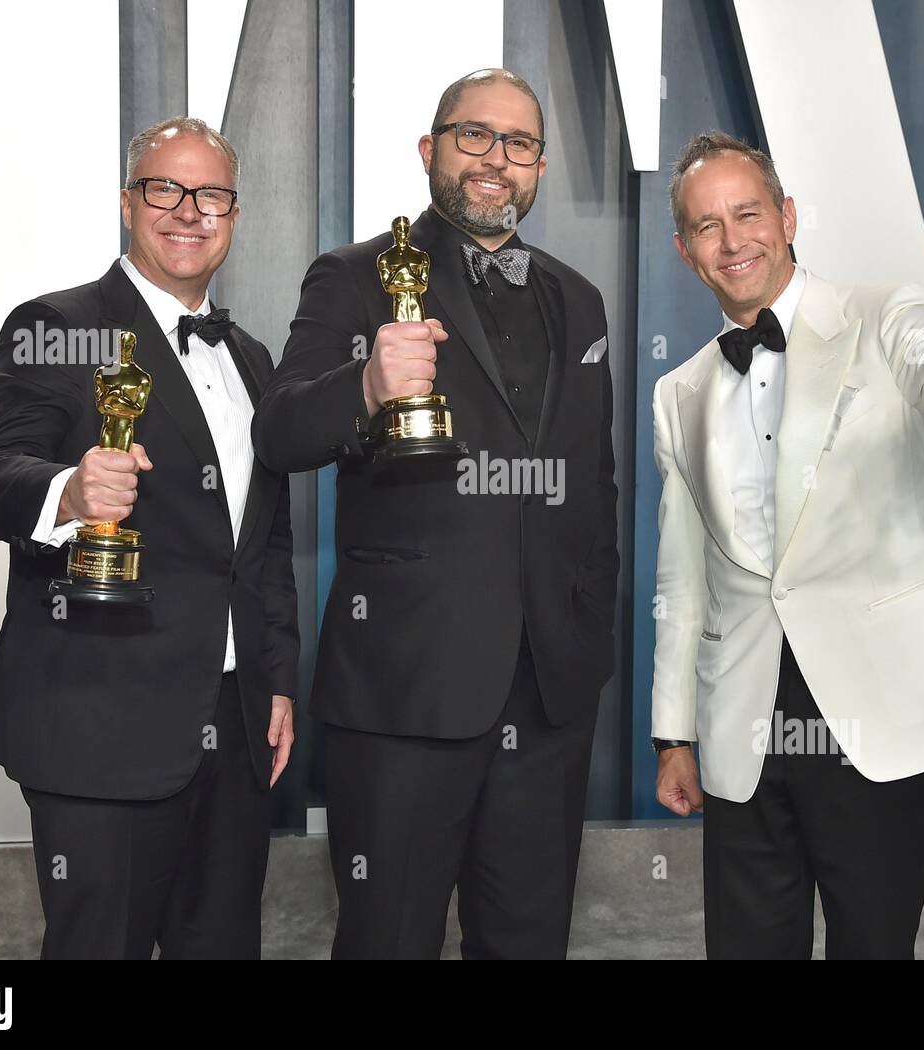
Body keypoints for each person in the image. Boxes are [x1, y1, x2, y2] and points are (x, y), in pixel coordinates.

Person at [650, 131, 924, 959]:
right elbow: (684, 576)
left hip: (876, 712)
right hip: (742, 724)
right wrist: (674, 732)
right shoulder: (681, 392)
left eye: (748, 213)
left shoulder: (885, 315)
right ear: (683, 249)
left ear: (786, 217)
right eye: (707, 226)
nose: (732, 240)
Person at [253, 68, 619, 959]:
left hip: (547, 692)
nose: (497, 160)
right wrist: (369, 384)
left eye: (520, 143)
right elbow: (283, 431)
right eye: (474, 136)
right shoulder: (354, 277)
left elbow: (593, 483)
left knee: (529, 941)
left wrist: (586, 624)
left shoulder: (581, 299)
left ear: (539, 166)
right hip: (406, 686)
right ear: (430, 150)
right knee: (388, 938)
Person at [0, 116, 299, 959]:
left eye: (211, 193)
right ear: (126, 202)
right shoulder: (56, 324)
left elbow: (262, 545)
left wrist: (278, 679)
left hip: (234, 719)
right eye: (165, 188)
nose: (189, 210)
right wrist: (68, 490)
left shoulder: (253, 359)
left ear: (234, 212)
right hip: (99, 719)